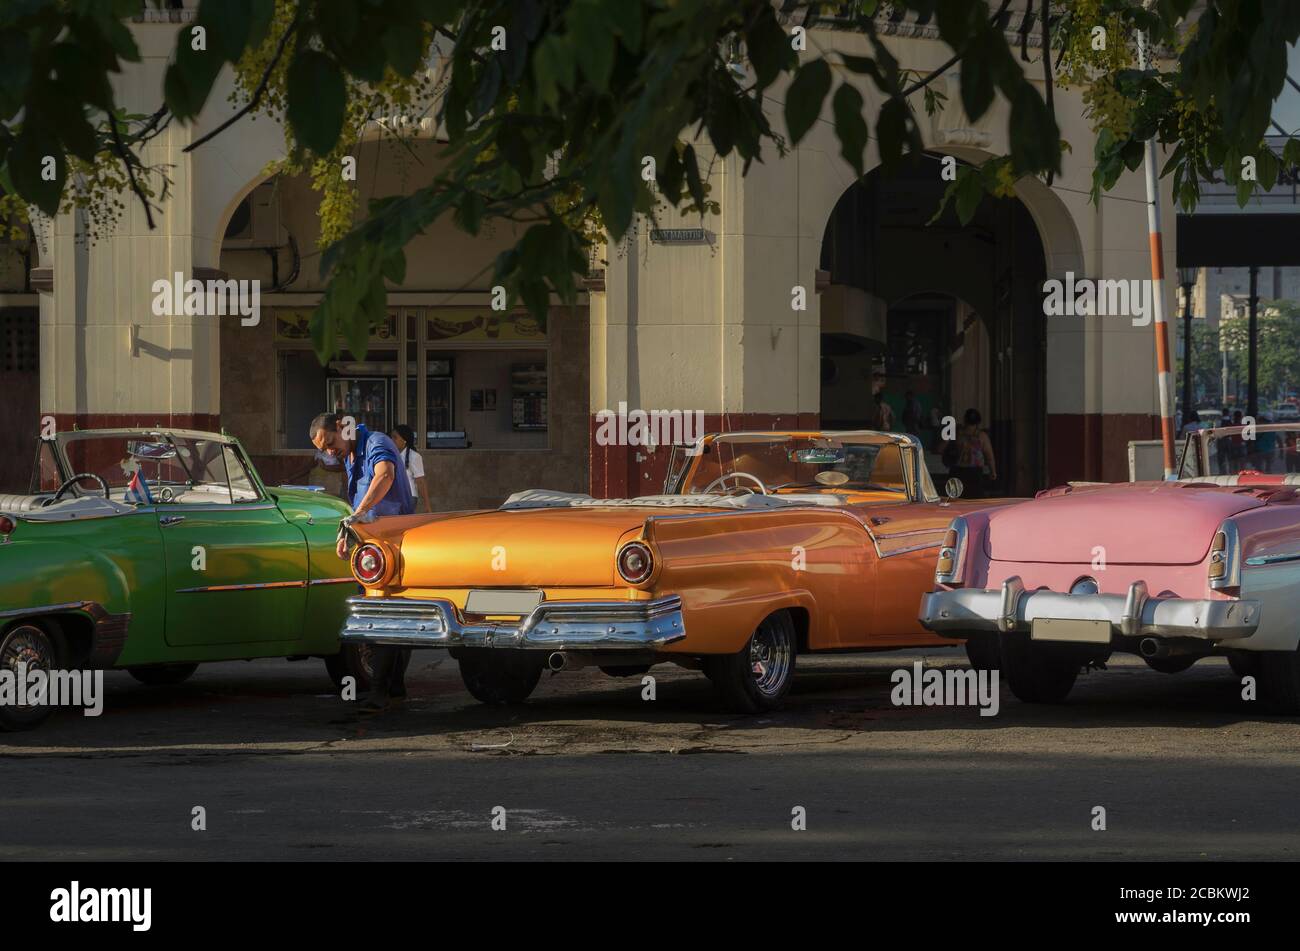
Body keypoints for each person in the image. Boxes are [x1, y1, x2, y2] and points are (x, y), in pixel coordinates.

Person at [309, 412, 415, 715]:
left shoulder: (377, 443)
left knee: (382, 617)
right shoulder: (351, 454)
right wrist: (349, 531)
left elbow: (384, 476)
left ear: (344, 427)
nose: (330, 451)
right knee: (387, 618)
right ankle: (393, 689)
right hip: (372, 545)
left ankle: (381, 693)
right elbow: (360, 503)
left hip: (392, 544)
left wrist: (356, 516)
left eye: (330, 442)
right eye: (323, 449)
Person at [947, 407, 997, 498]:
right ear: (978, 421)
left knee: (957, 499)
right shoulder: (982, 436)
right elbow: (989, 456)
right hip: (975, 473)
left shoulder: (957, 434)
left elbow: (943, 448)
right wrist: (993, 472)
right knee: (975, 499)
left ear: (965, 420)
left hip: (958, 471)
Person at [391, 424, 432, 513]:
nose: (392, 440)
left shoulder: (414, 456)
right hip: (394, 497)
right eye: (392, 437)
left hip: (408, 497)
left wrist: (427, 505)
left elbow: (420, 481)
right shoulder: (391, 454)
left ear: (404, 440)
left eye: (395, 438)